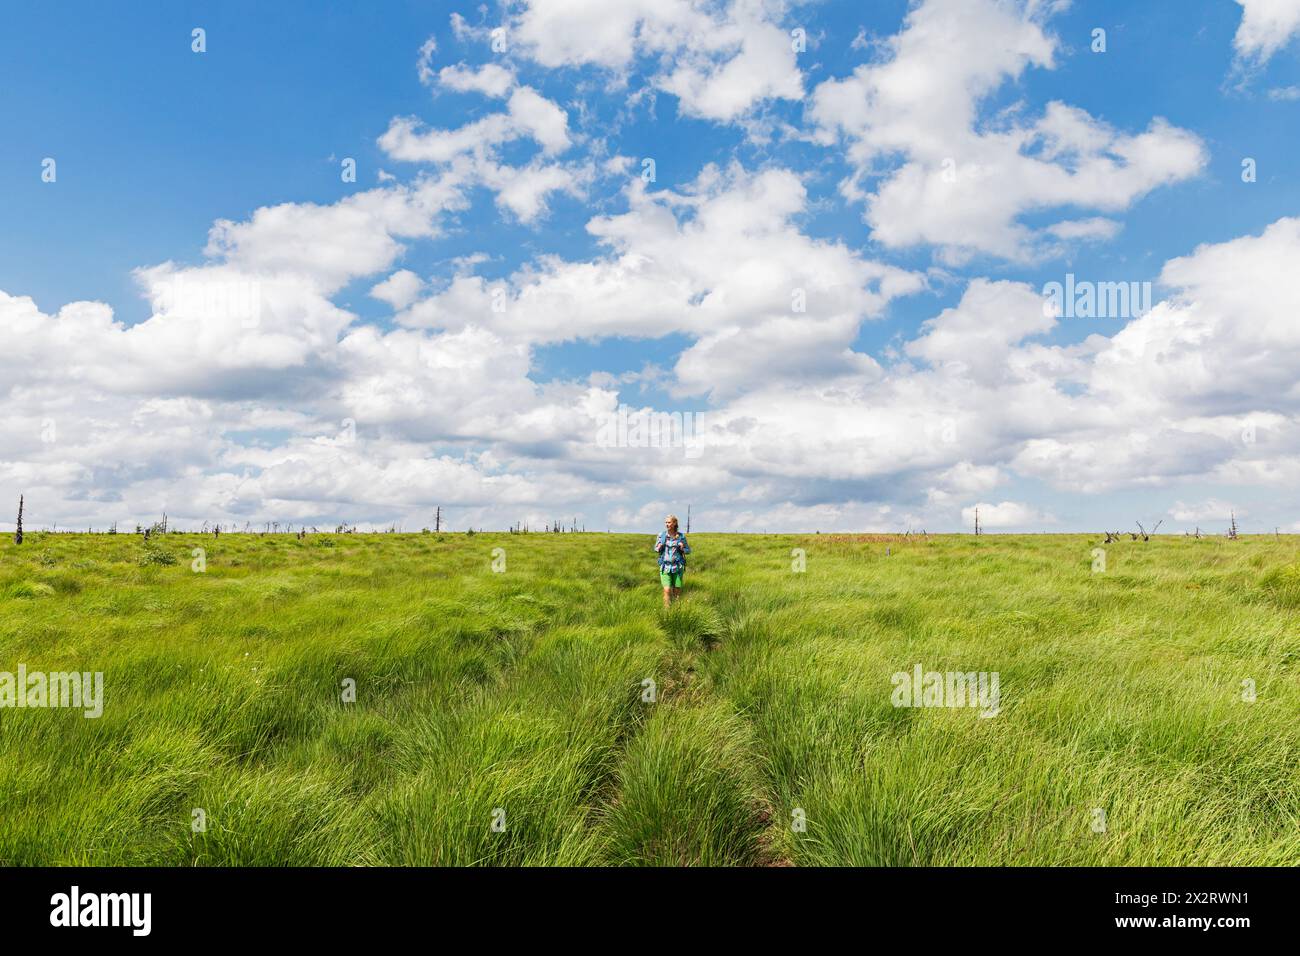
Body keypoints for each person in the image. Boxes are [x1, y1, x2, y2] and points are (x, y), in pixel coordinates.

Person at [654, 514, 691, 608]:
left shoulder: (681, 536)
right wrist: (658, 547)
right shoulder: (661, 535)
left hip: (678, 567)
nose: (667, 524)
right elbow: (656, 548)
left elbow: (688, 550)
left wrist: (683, 548)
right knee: (666, 590)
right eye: (666, 522)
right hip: (665, 566)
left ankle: (676, 610)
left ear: (674, 523)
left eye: (669, 522)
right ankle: (667, 611)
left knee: (676, 591)